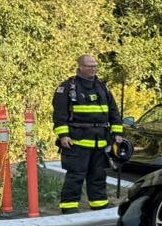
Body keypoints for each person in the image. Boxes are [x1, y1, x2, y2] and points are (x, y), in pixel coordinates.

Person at [52, 53, 123, 212]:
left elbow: (114, 112)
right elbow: (59, 115)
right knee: (75, 177)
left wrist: (117, 132)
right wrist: (63, 135)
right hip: (77, 142)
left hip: (100, 141)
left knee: (98, 176)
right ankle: (69, 208)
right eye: (90, 66)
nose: (94, 68)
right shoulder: (68, 87)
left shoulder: (103, 87)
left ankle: (99, 206)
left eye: (95, 66)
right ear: (81, 67)